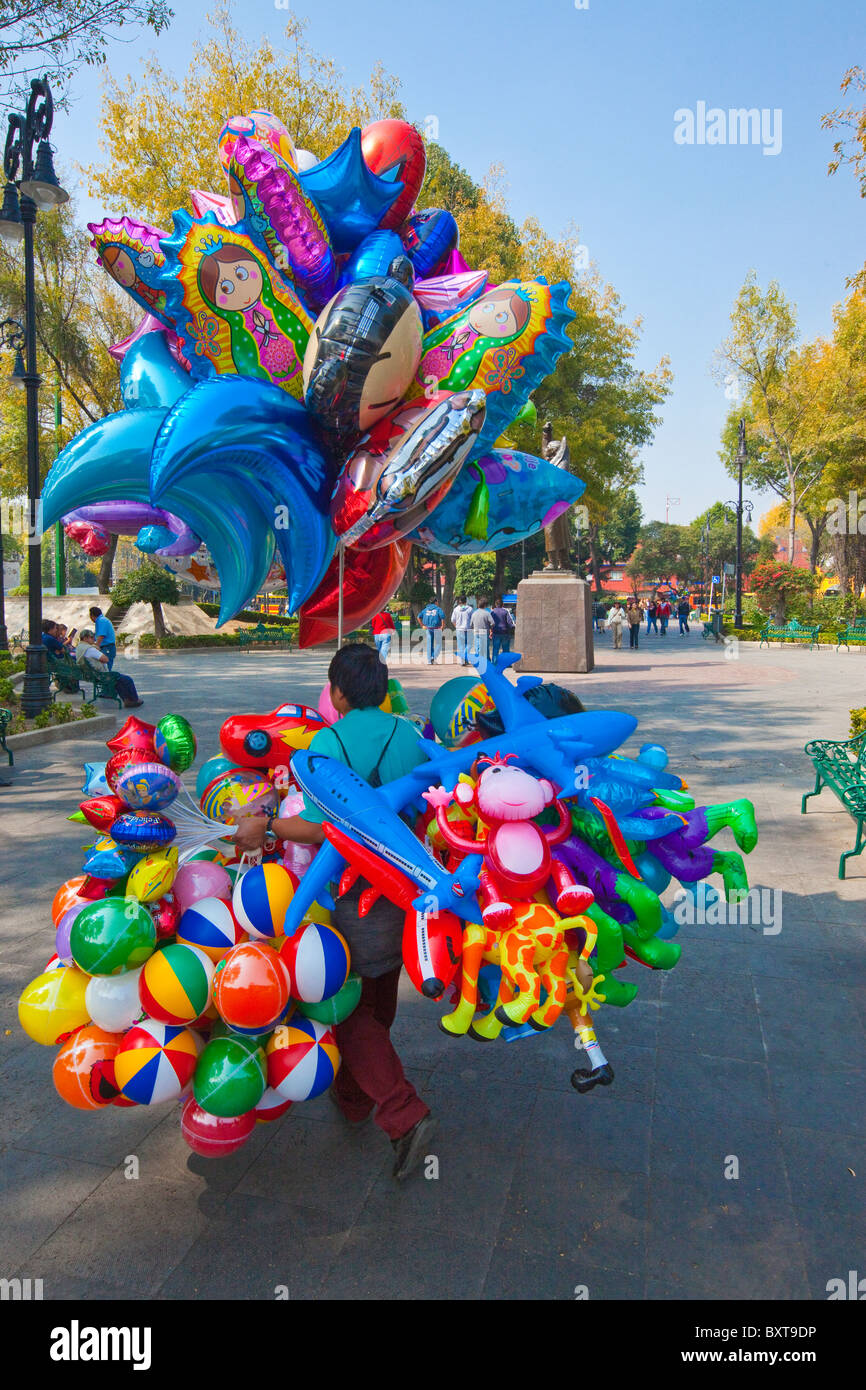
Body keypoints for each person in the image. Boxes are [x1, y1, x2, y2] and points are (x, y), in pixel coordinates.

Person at [232, 643, 435, 1179]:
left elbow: (331, 830)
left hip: (351, 892)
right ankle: (352, 1099)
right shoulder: (410, 735)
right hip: (409, 890)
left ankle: (402, 1111)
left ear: (338, 691)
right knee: (378, 998)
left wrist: (267, 825)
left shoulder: (326, 744)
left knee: (349, 1014)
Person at [76, 630, 143, 707]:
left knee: (118, 680)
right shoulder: (90, 649)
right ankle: (134, 700)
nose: (94, 639)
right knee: (127, 679)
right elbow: (105, 659)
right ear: (85, 638)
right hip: (100, 675)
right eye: (91, 637)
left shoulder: (80, 647)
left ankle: (127, 700)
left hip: (90, 674)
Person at [418, 596, 445, 665]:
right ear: (435, 602)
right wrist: (442, 626)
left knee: (429, 645)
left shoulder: (425, 609)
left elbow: (418, 617)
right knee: (439, 644)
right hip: (437, 628)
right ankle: (434, 657)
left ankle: (429, 661)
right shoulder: (438, 609)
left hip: (428, 629)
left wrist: (422, 625)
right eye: (437, 601)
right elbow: (442, 617)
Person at [490, 595, 515, 660]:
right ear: (502, 604)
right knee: (506, 649)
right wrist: (513, 627)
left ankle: (494, 663)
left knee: (495, 650)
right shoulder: (506, 612)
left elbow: (490, 623)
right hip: (505, 633)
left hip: (496, 633)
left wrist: (491, 631)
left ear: (495, 605)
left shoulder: (492, 612)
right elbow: (510, 623)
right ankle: (505, 663)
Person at [450, 595, 473, 665]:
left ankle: (462, 660)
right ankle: (465, 658)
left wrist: (456, 626)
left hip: (459, 629)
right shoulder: (470, 609)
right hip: (468, 629)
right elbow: (472, 619)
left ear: (459, 601)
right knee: (468, 645)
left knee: (461, 646)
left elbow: (452, 620)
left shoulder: (456, 609)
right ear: (466, 601)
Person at [470, 598, 494, 663]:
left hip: (476, 632)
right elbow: (492, 623)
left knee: (477, 647)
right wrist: (490, 629)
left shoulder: (474, 613)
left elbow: (471, 625)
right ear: (485, 605)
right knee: (485, 647)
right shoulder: (487, 613)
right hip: (484, 632)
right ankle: (487, 661)